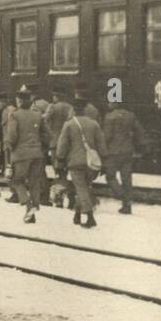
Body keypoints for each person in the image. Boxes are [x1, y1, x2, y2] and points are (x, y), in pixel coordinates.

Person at [56, 96, 104, 228]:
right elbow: (101, 144)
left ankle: (90, 217)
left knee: (81, 189)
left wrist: (60, 159)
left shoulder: (69, 124)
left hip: (75, 162)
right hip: (91, 163)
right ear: (84, 110)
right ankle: (77, 214)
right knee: (84, 188)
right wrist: (103, 160)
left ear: (74, 110)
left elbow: (62, 145)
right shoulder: (94, 123)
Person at [4, 85, 48, 223]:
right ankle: (33, 209)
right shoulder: (38, 115)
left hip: (21, 154)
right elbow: (46, 134)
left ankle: (28, 205)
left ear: (19, 101)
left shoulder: (14, 115)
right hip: (37, 154)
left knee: (17, 180)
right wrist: (40, 147)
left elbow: (12, 136)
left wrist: (10, 147)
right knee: (34, 182)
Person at [102, 99, 145, 213]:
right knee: (127, 179)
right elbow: (139, 130)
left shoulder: (109, 117)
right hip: (128, 150)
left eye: (109, 102)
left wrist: (103, 150)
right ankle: (127, 206)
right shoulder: (130, 115)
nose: (108, 105)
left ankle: (121, 195)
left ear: (115, 104)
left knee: (110, 176)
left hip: (114, 152)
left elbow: (107, 136)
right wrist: (139, 144)